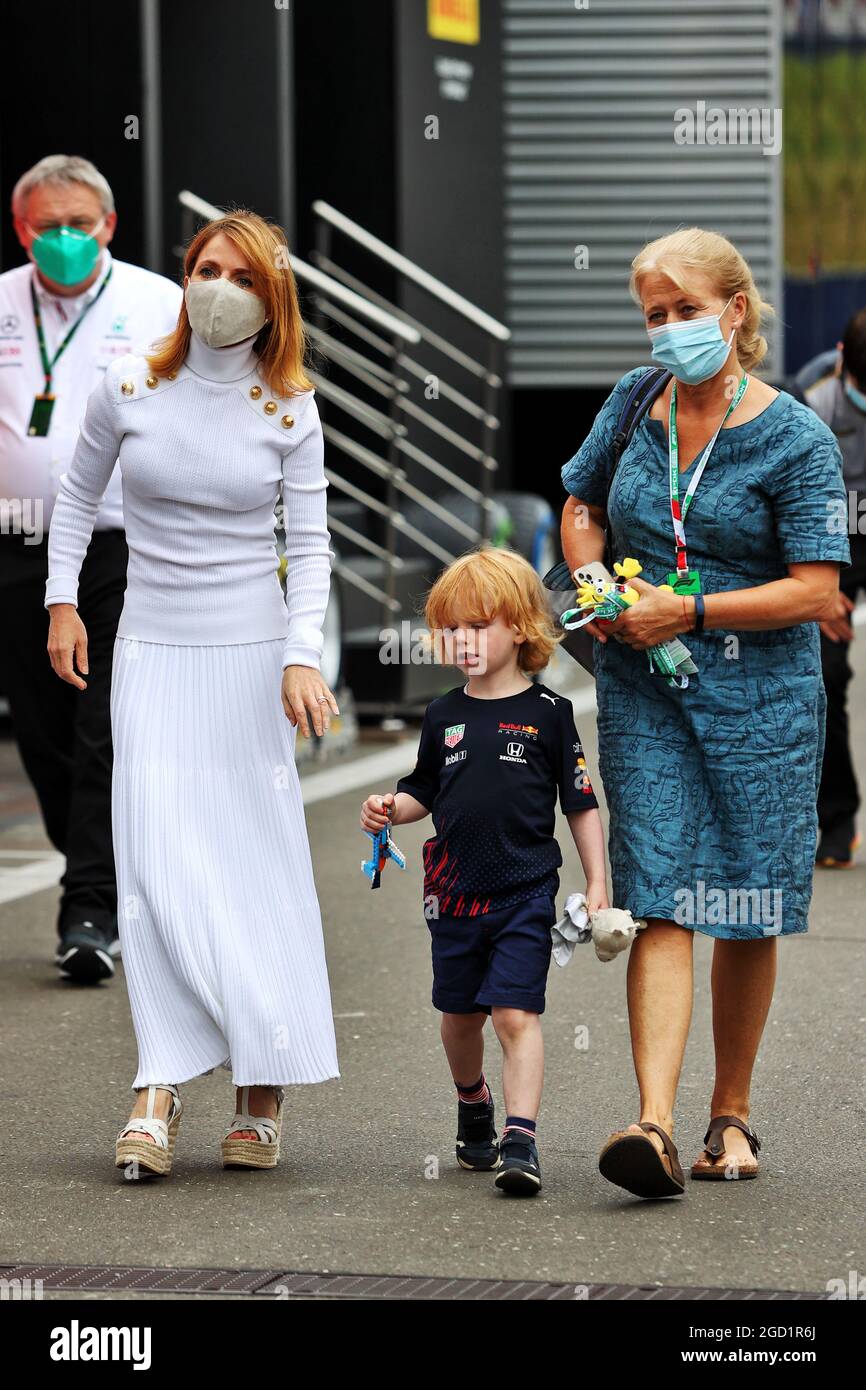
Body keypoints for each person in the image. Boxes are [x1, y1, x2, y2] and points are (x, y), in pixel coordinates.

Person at [45, 209, 340, 1177]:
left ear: (273, 296)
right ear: (184, 279)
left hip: (249, 657)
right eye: (206, 268)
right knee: (154, 867)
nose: (219, 288)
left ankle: (263, 1085)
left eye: (242, 276)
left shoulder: (290, 408)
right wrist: (61, 602)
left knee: (252, 864)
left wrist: (302, 654)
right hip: (150, 651)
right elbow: (77, 497)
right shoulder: (129, 383)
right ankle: (159, 1081)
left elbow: (311, 546)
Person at [559, 227, 849, 1198]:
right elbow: (580, 504)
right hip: (644, 685)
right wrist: (596, 582)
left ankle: (729, 1112)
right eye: (654, 313)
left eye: (685, 309)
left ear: (735, 310)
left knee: (745, 899)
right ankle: (652, 1122)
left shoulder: (794, 438)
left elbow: (816, 590)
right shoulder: (633, 400)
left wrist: (683, 611)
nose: (668, 329)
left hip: (761, 699)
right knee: (659, 891)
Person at [361, 546, 607, 1196]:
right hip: (453, 894)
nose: (461, 640)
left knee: (514, 1014)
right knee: (460, 1015)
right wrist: (390, 808)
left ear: (521, 627)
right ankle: (473, 1099)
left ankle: (520, 1139)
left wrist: (597, 882)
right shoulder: (443, 714)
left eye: (477, 625)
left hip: (526, 891)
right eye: (450, 628)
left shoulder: (550, 713)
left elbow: (580, 803)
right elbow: (423, 789)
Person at [0, 154, 182, 983]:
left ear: (108, 225)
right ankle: (95, 861)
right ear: (21, 229)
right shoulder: (4, 301)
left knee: (101, 722)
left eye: (80, 224)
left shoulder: (157, 303)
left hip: (117, 545)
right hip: (15, 542)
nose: (65, 238)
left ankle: (90, 909)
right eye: (49, 226)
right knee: (40, 730)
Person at [801, 309, 866, 867]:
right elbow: (792, 503)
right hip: (832, 538)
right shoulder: (813, 405)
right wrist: (815, 588)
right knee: (825, 674)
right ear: (843, 361)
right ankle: (838, 819)